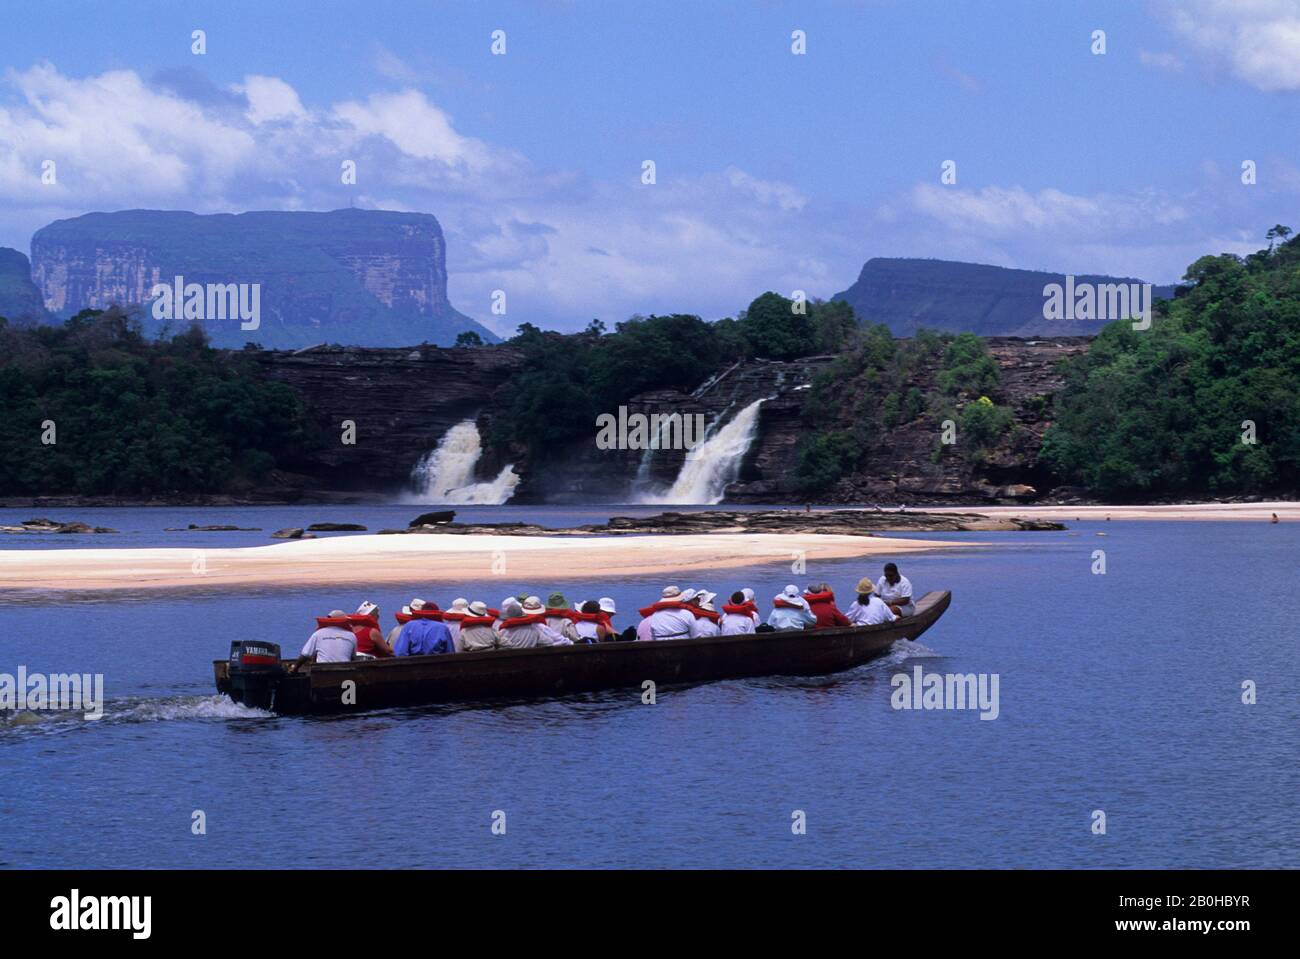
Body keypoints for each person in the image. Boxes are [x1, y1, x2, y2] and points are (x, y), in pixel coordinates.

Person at [290, 610, 357, 672]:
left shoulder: (318, 633)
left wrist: (295, 668)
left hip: (322, 671)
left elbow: (305, 654)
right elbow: (353, 657)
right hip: (345, 672)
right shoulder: (352, 636)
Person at [497, 597, 573, 649]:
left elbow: (500, 644)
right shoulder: (534, 629)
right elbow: (548, 642)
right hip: (531, 661)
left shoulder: (503, 632)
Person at [392, 602, 457, 656]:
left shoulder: (409, 625)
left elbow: (401, 651)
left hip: (411, 665)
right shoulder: (442, 627)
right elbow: (450, 652)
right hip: (436, 665)